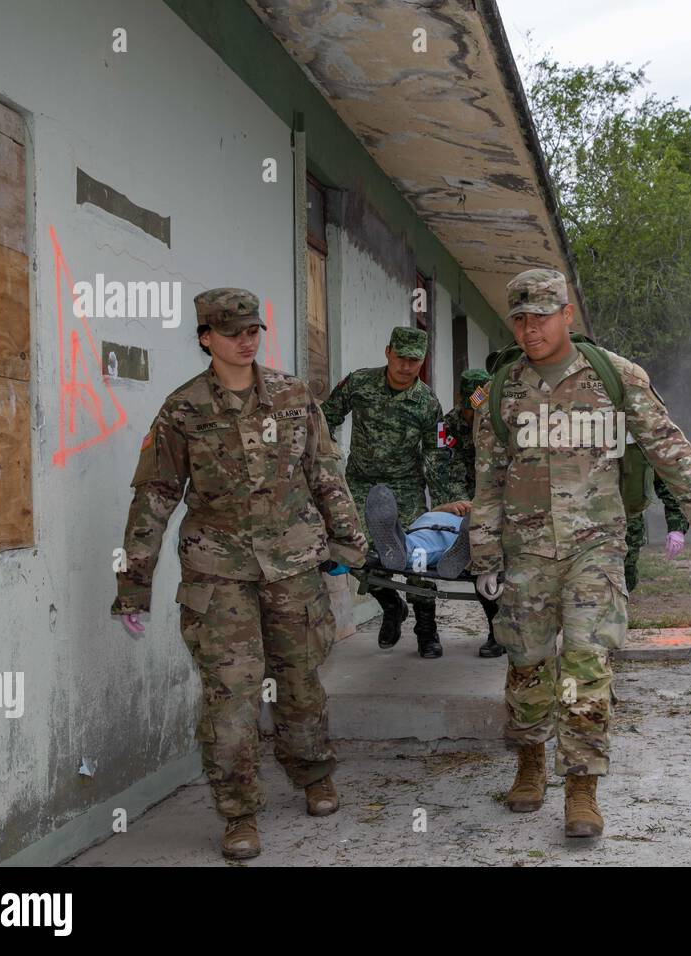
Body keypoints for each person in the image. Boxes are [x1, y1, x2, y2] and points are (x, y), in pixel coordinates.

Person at [470, 268, 691, 838]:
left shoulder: (614, 376)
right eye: (520, 318)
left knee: (587, 664)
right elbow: (487, 480)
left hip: (596, 546)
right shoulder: (502, 391)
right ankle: (530, 761)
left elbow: (667, 443)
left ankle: (582, 787)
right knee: (527, 665)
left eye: (542, 315)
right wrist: (484, 554)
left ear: (567, 315)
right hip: (527, 552)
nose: (530, 328)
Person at [111, 288, 366, 860]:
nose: (246, 340)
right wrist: (133, 583)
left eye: (253, 330)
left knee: (300, 681)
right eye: (232, 332)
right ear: (206, 337)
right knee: (232, 695)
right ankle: (239, 811)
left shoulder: (294, 396)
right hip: (218, 570)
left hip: (295, 564)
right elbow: (153, 496)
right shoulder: (183, 410)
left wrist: (350, 541)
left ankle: (312, 773)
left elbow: (325, 472)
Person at [322, 327, 470, 658]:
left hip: (405, 486)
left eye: (414, 361)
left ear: (422, 361)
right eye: (401, 358)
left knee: (417, 558)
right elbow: (325, 417)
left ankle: (426, 629)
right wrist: (326, 460)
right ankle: (390, 604)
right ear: (388, 352)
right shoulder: (359, 383)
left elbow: (436, 455)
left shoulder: (427, 402)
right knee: (355, 551)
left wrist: (443, 501)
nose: (406, 366)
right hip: (361, 482)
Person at [441, 368, 504, 657]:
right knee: (480, 563)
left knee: (498, 568)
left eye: (479, 410)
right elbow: (442, 464)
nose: (474, 417)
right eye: (470, 411)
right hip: (464, 501)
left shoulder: (501, 418)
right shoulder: (450, 424)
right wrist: (455, 502)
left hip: (499, 500)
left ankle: (500, 631)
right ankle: (496, 630)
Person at [623, 469, 689, 594]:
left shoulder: (640, 450)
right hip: (582, 526)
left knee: (625, 578)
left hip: (629, 525)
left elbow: (668, 483)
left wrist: (677, 527)